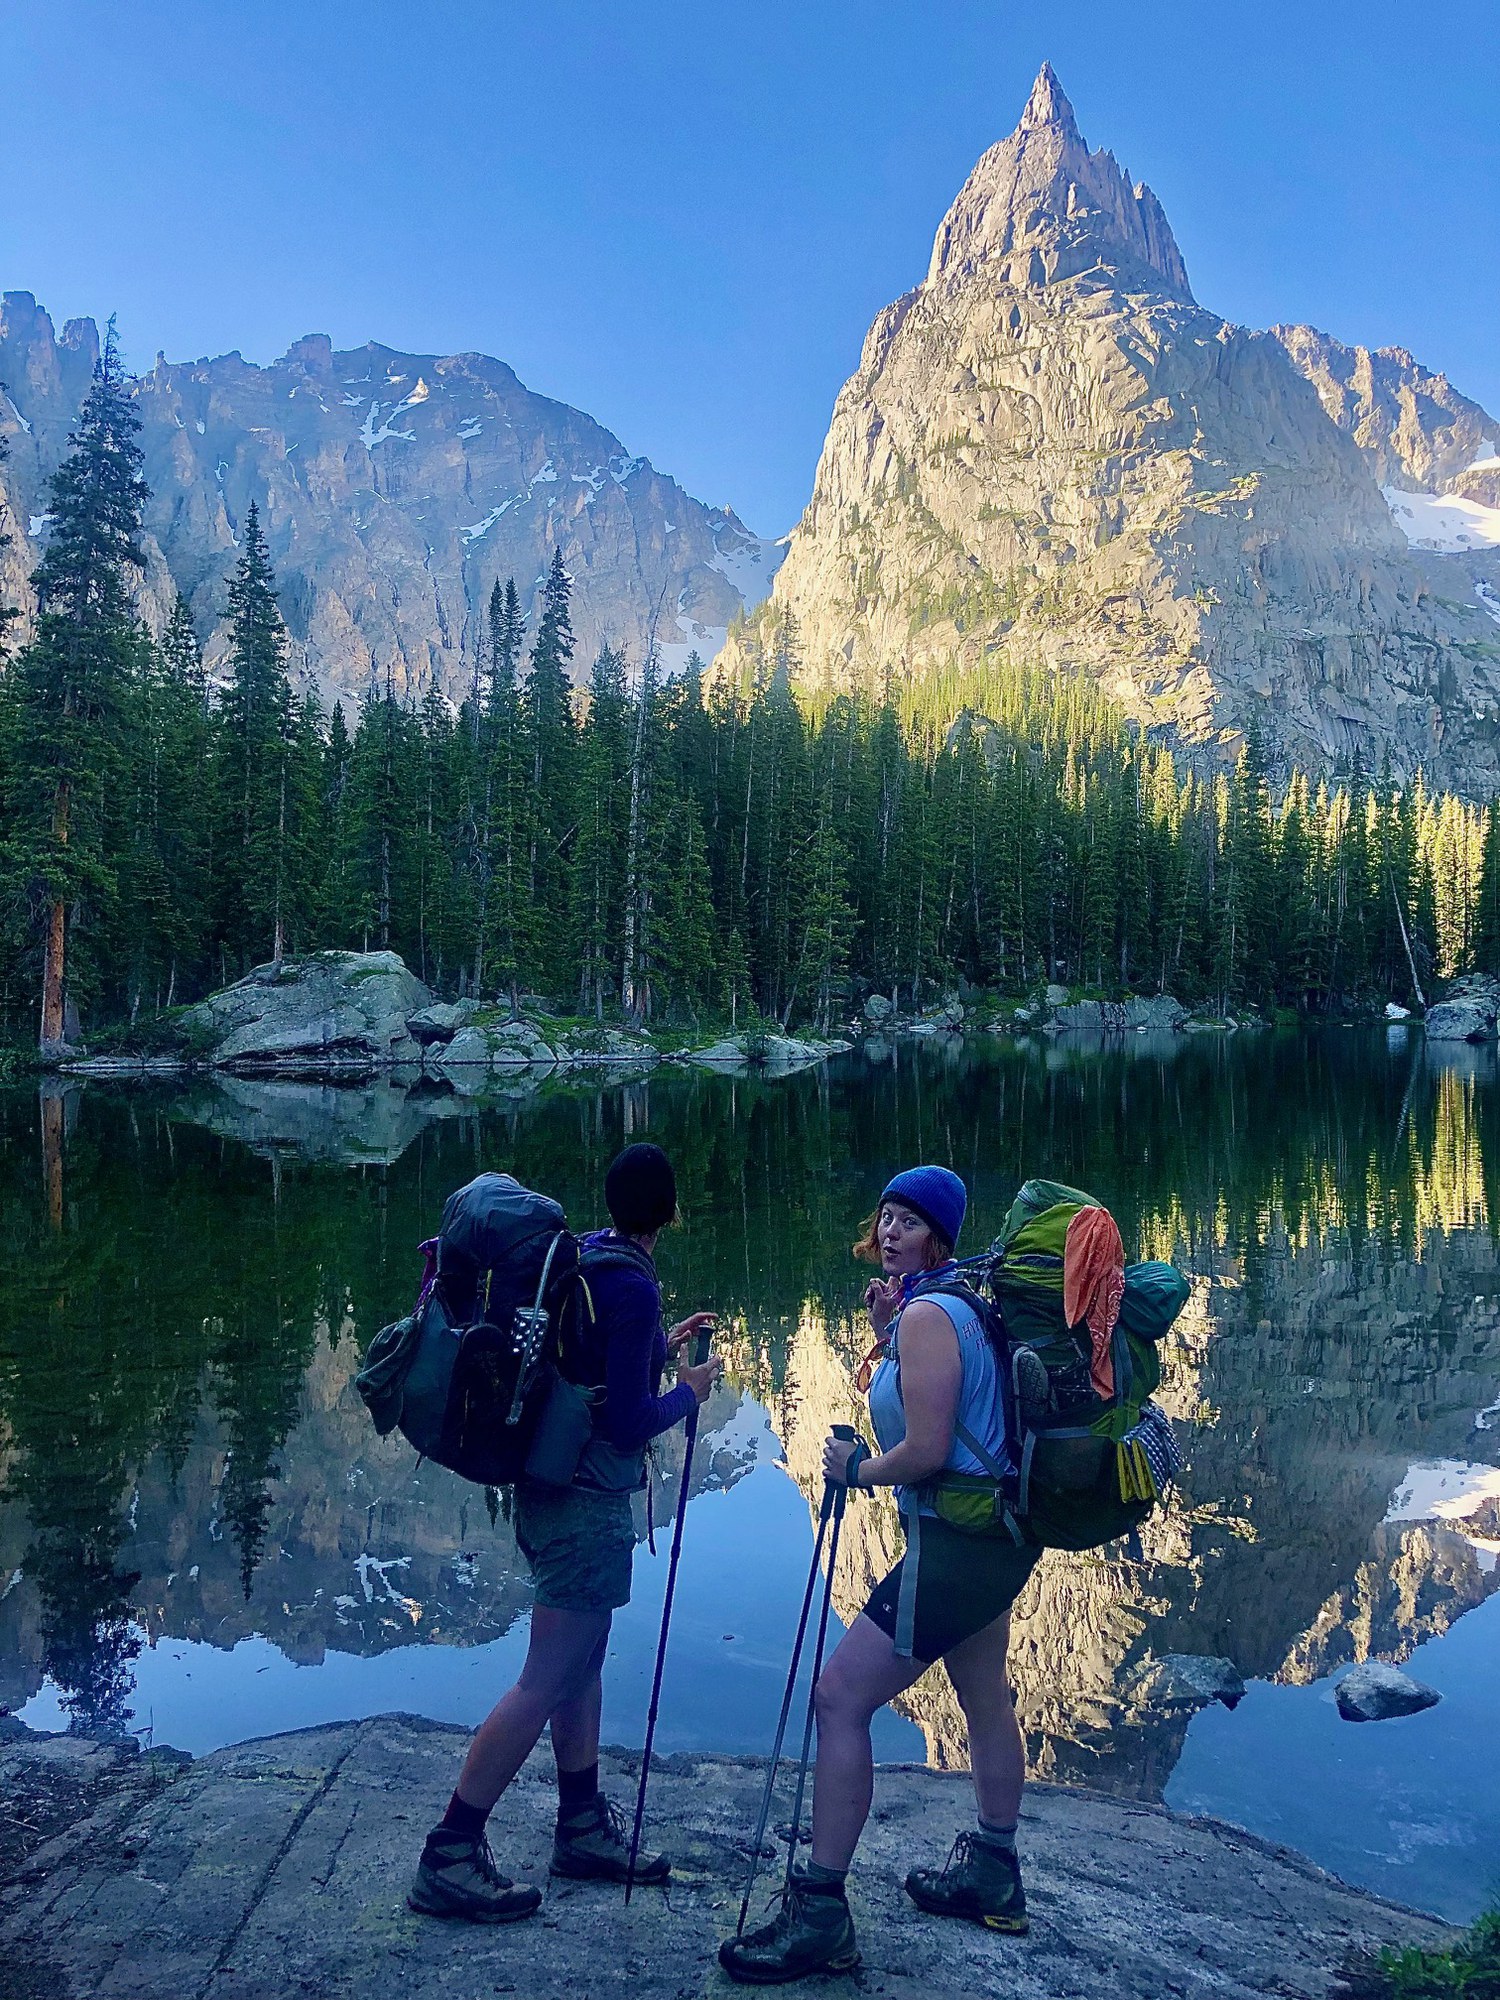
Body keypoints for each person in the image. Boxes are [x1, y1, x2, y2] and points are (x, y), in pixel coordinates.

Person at [720, 1165, 1039, 1984]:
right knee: (983, 1693)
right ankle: (993, 1874)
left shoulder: (933, 1315)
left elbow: (926, 1451)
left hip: (956, 1546)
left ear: (938, 1236)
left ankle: (821, 1909)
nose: (891, 1230)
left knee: (839, 1696)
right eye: (886, 1216)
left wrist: (855, 1470)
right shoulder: (944, 1305)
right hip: (989, 1538)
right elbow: (941, 1418)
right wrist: (888, 1331)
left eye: (909, 1221)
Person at [409, 1141, 722, 1923]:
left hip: (547, 1488)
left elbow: (590, 1358)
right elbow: (626, 1422)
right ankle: (449, 1851)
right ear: (671, 1213)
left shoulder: (588, 1256)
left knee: (579, 1664)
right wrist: (687, 1393)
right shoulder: (629, 1285)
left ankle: (580, 1825)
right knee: (547, 1676)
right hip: (585, 1501)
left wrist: (659, 1347)